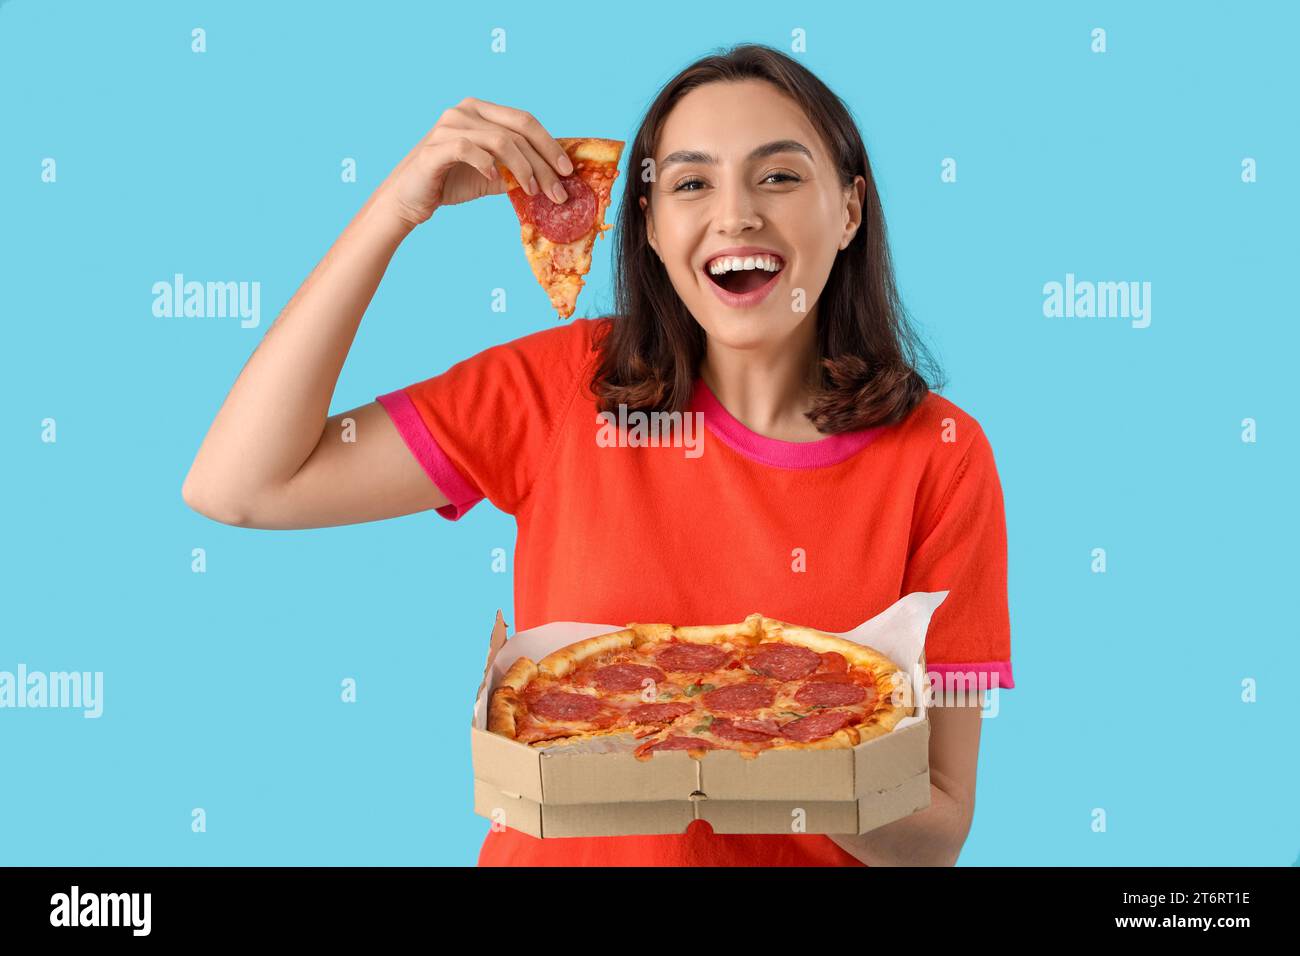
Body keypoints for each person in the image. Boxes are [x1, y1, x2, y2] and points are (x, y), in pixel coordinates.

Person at [182, 43, 1015, 867]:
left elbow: (934, 838)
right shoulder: (562, 389)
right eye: (691, 182)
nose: (736, 216)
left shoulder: (943, 454)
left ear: (849, 211)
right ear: (648, 225)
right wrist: (396, 212)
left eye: (780, 176)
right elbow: (241, 485)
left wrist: (763, 738)